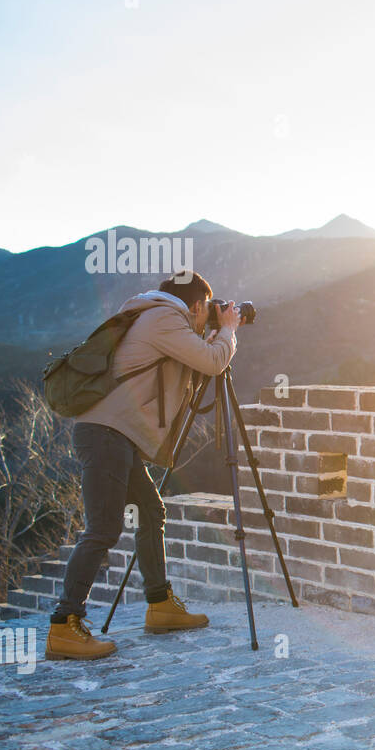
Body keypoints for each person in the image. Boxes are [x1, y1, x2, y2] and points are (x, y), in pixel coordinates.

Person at [45, 271, 241, 660]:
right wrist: (229, 330)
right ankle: (64, 625)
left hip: (116, 435)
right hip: (106, 435)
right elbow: (213, 362)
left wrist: (214, 331)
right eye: (208, 310)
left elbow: (195, 361)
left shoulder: (151, 314)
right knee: (103, 528)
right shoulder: (162, 319)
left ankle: (160, 605)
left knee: (150, 512)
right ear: (199, 305)